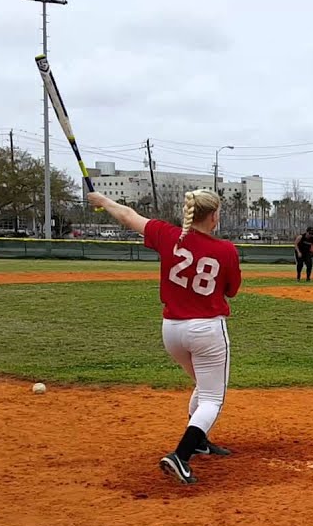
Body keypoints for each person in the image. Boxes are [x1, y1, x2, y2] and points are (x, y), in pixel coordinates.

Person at [88, 189, 241, 485]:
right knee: (212, 397)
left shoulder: (167, 235)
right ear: (212, 216)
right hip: (206, 329)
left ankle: (198, 441)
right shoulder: (225, 250)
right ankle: (180, 456)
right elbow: (231, 290)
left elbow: (129, 216)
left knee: (203, 384)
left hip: (172, 331)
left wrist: (104, 201)